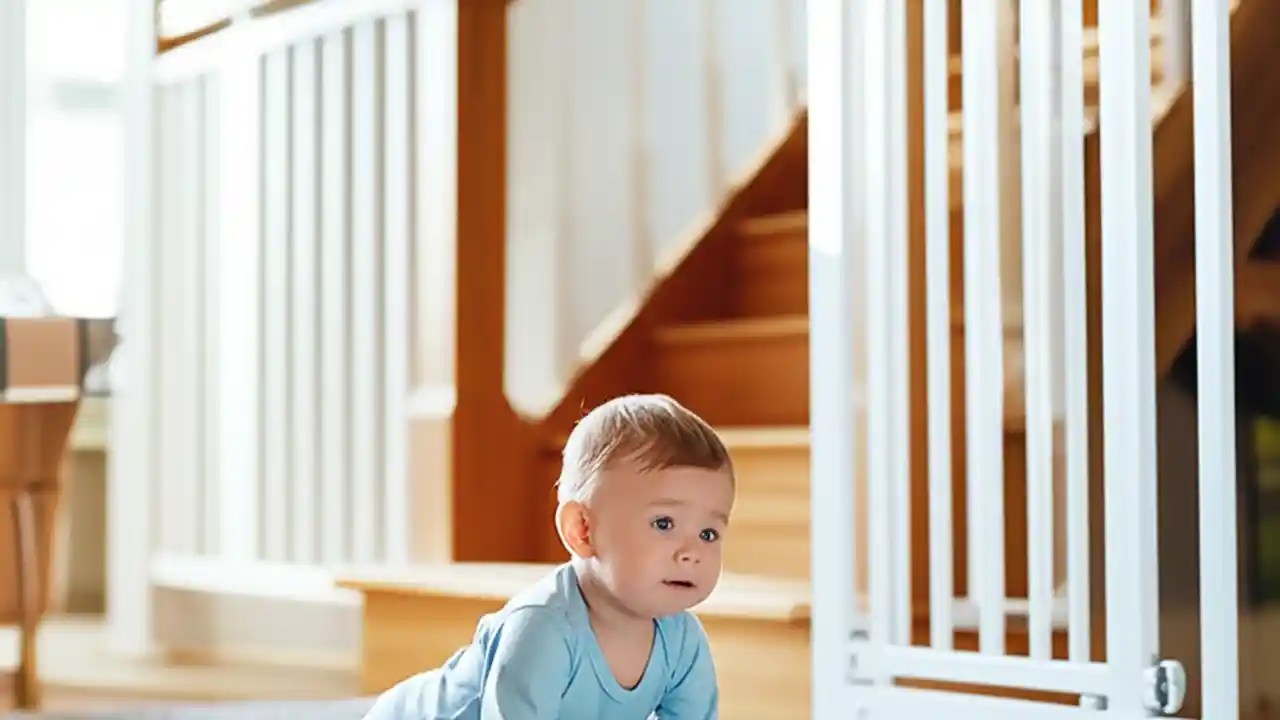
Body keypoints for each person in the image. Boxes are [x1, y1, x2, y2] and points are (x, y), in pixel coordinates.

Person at [362, 393, 734, 719]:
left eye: (708, 533)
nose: (692, 553)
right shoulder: (543, 630)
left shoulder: (682, 641)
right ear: (583, 530)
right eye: (664, 523)